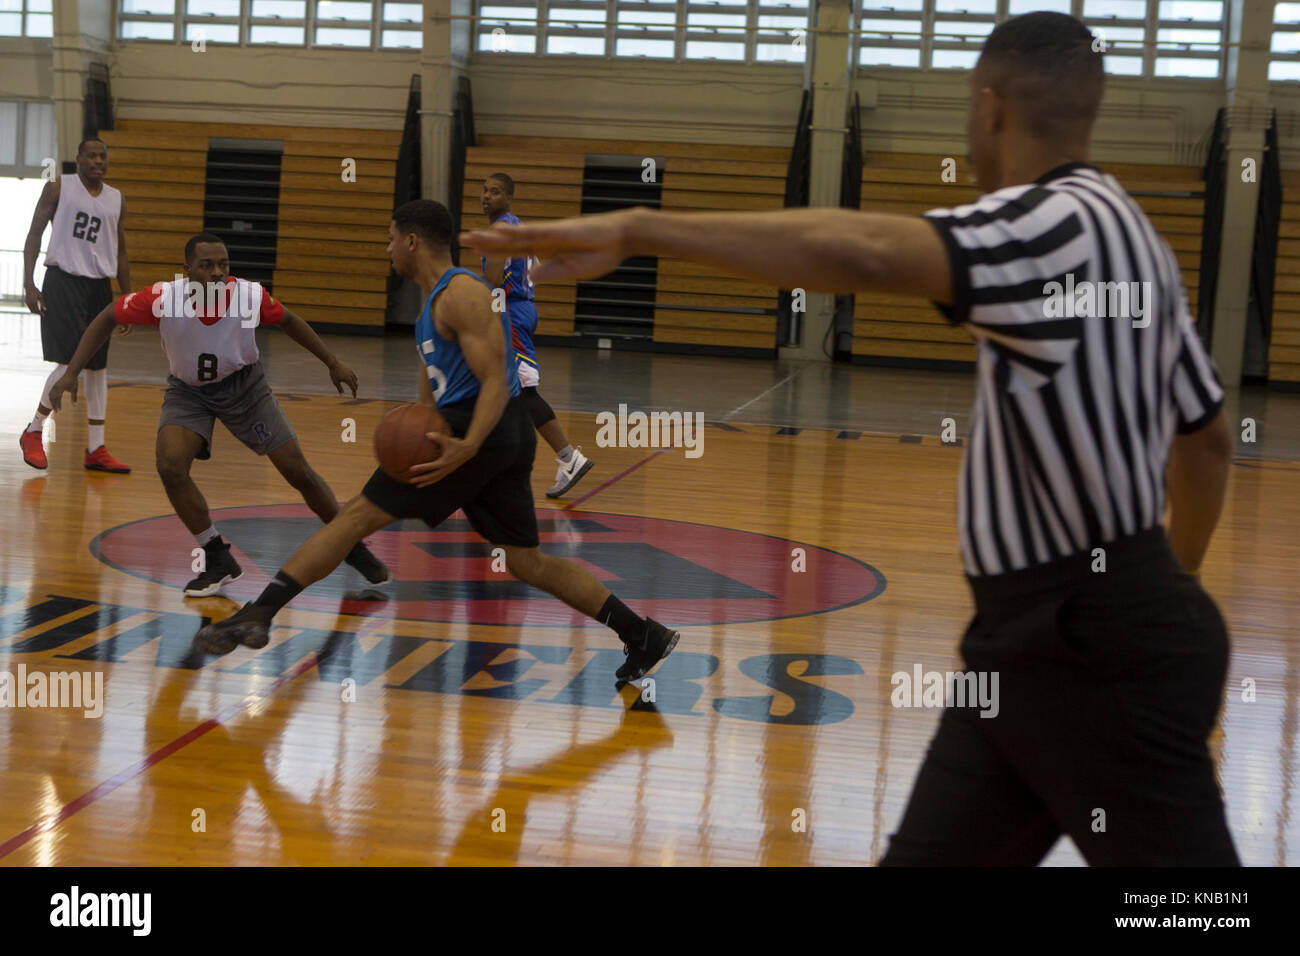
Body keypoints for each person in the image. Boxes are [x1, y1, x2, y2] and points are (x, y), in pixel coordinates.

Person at [462, 12, 1238, 865]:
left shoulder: (1040, 226)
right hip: (1040, 648)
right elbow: (1206, 445)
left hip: (1087, 646)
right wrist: (1177, 591)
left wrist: (645, 228)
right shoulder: (1140, 242)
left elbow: (869, 251)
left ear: (989, 109)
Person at [193, 200, 679, 690]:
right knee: (525, 560)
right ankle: (642, 634)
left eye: (390, 238)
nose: (386, 249)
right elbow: (433, 393)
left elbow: (495, 380)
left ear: (412, 241)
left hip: (480, 432)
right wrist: (419, 427)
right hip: (480, 434)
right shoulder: (431, 307)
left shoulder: (462, 293)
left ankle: (259, 612)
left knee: (356, 516)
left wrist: (467, 445)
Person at [49, 233, 390, 597]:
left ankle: (351, 546)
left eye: (223, 265)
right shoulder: (164, 298)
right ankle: (217, 557)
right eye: (207, 265)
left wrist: (332, 362)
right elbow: (106, 317)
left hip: (245, 388)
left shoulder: (247, 296)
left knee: (297, 470)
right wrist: (72, 372)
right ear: (188, 270)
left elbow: (289, 321)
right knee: (170, 464)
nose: (217, 272)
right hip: (189, 392)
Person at [21, 138, 132, 473]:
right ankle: (34, 429)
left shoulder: (116, 199)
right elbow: (34, 233)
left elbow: (122, 252)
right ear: (78, 158)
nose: (98, 161)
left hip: (99, 286)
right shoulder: (59, 186)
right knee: (71, 360)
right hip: (63, 282)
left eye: (103, 156)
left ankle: (96, 448)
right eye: (92, 155)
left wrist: (127, 297)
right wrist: (28, 282)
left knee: (97, 367)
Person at [480, 172, 594, 498]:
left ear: (509, 199)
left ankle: (569, 457)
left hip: (511, 315)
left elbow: (490, 282)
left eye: (496, 192)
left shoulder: (501, 229)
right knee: (501, 391)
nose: (488, 196)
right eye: (485, 190)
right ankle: (493, 466)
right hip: (521, 310)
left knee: (524, 392)